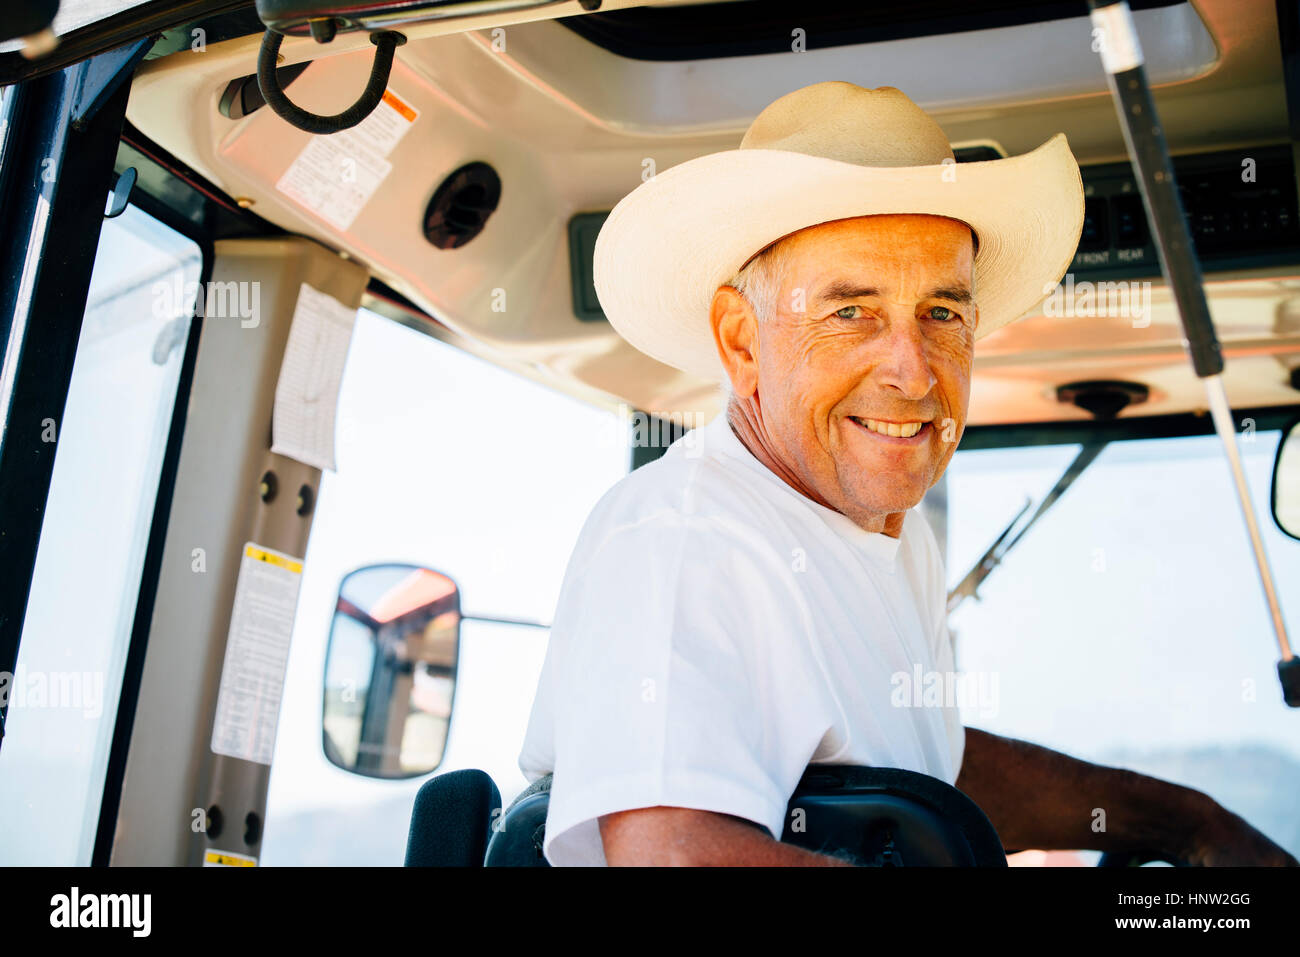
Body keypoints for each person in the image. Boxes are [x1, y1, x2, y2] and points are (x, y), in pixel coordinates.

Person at [518, 81, 1295, 867]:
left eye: (943, 313)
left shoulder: (897, 538)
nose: (913, 372)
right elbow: (674, 856)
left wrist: (1184, 823)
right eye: (851, 312)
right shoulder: (682, 535)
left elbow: (930, 771)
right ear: (743, 341)